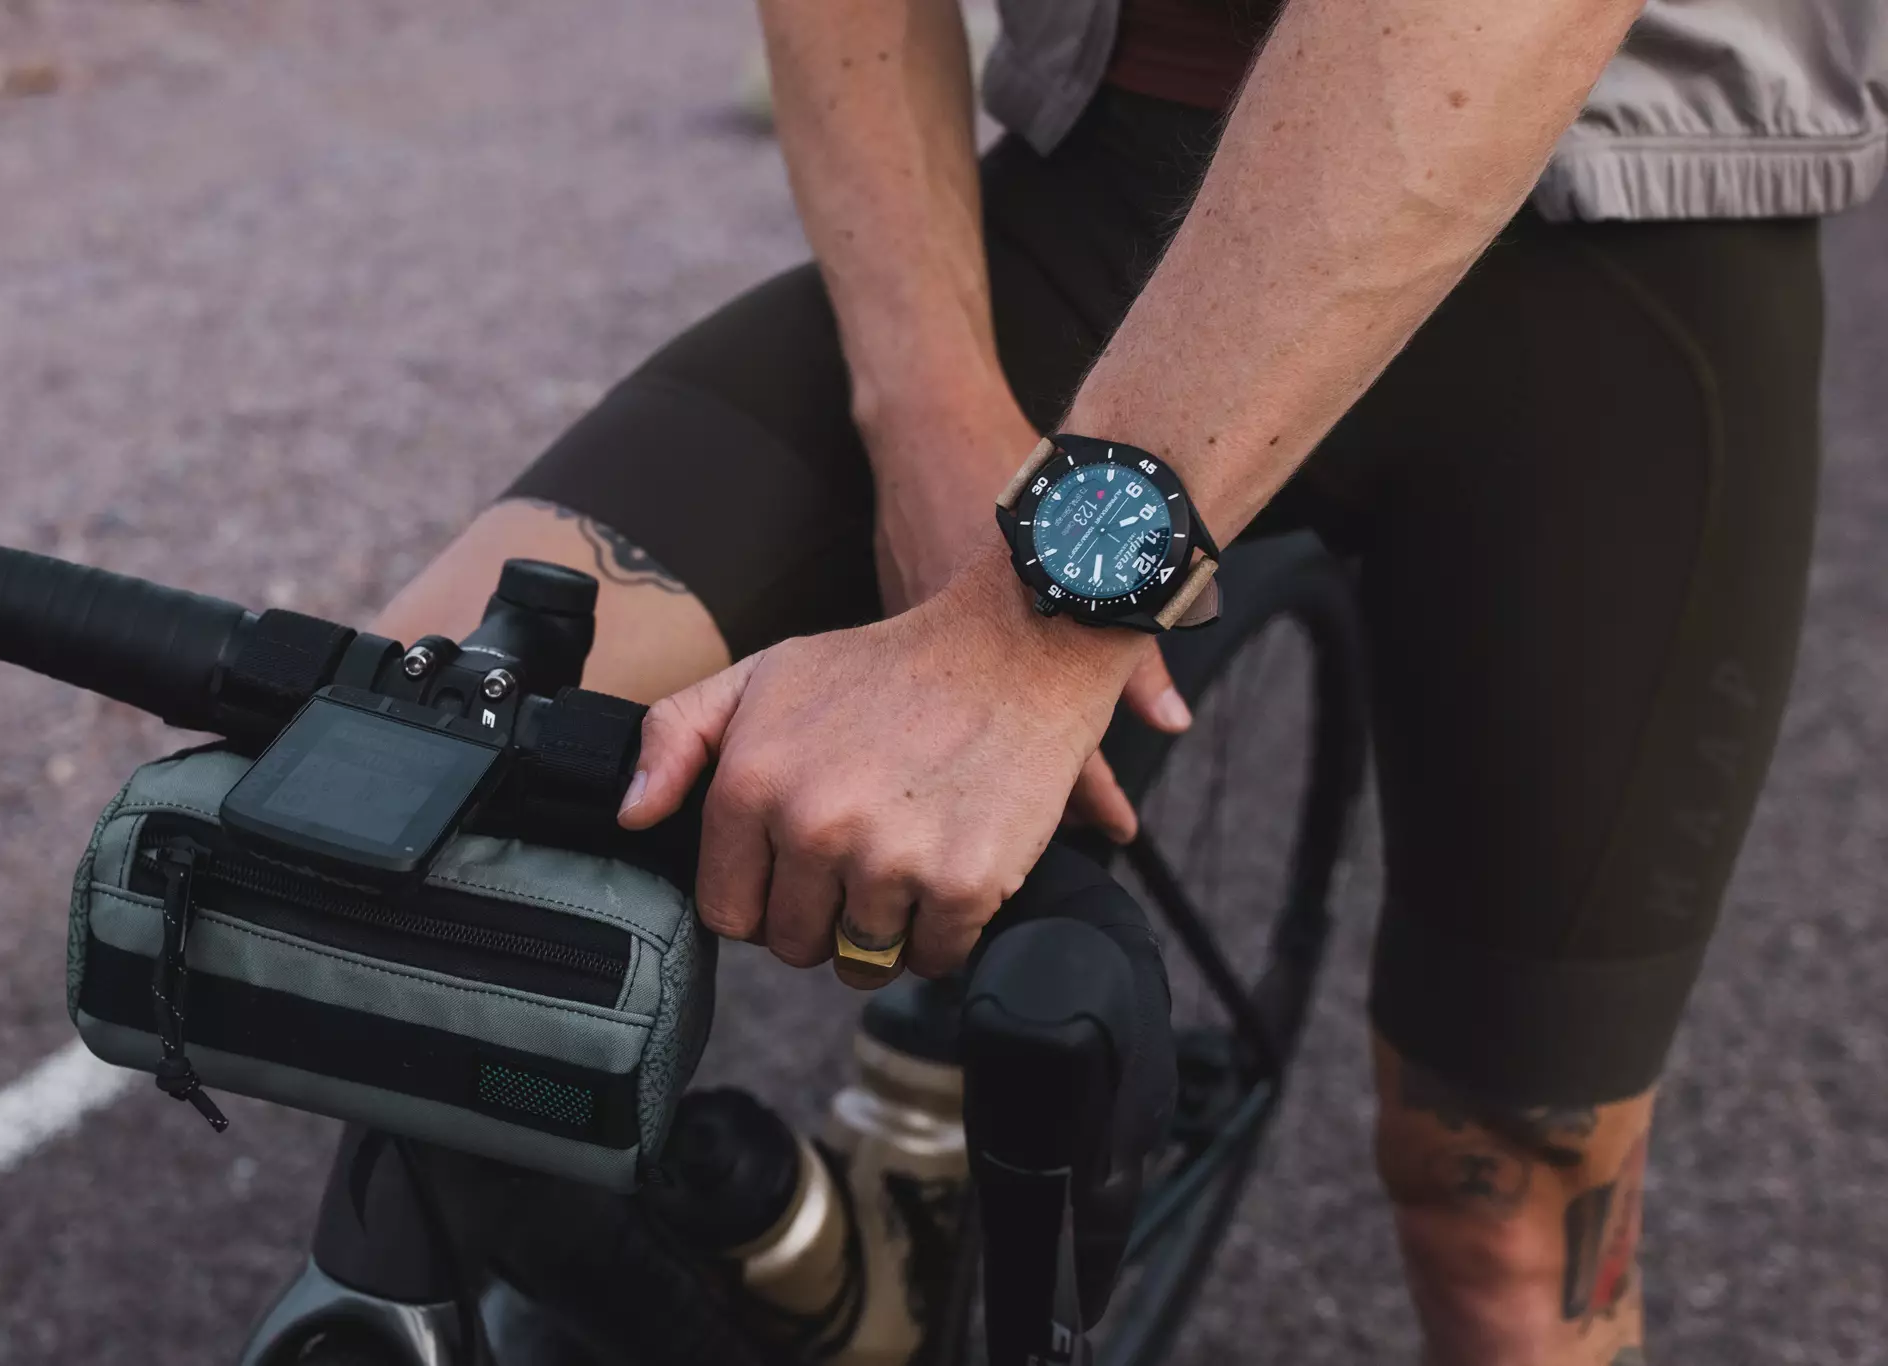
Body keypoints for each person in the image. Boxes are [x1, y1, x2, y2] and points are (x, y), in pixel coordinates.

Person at [374, 0, 1886, 1360]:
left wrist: (1027, 625)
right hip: (1113, 170)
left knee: (1506, 1215)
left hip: (1619, 237)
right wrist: (928, 409)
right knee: (385, 787)